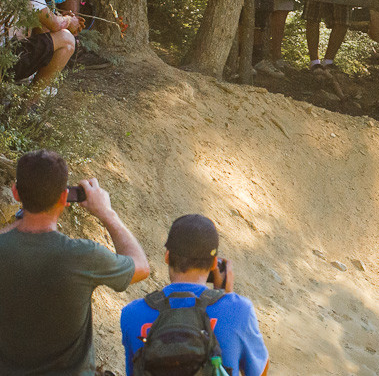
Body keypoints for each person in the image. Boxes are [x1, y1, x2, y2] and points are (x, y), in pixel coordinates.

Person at [0, 149, 150, 374]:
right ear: (64, 197)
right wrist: (107, 213)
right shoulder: (84, 256)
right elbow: (141, 266)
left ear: (16, 193)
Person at [120, 214, 269, 376]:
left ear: (167, 256)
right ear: (214, 264)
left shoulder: (131, 313)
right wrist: (227, 298)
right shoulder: (239, 310)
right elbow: (259, 372)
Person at [1, 0, 84, 97]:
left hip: (7, 54)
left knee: (36, 23)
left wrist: (58, 17)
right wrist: (69, 20)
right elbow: (55, 24)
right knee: (67, 40)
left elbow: (43, 18)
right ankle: (29, 104)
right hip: (5, 60)